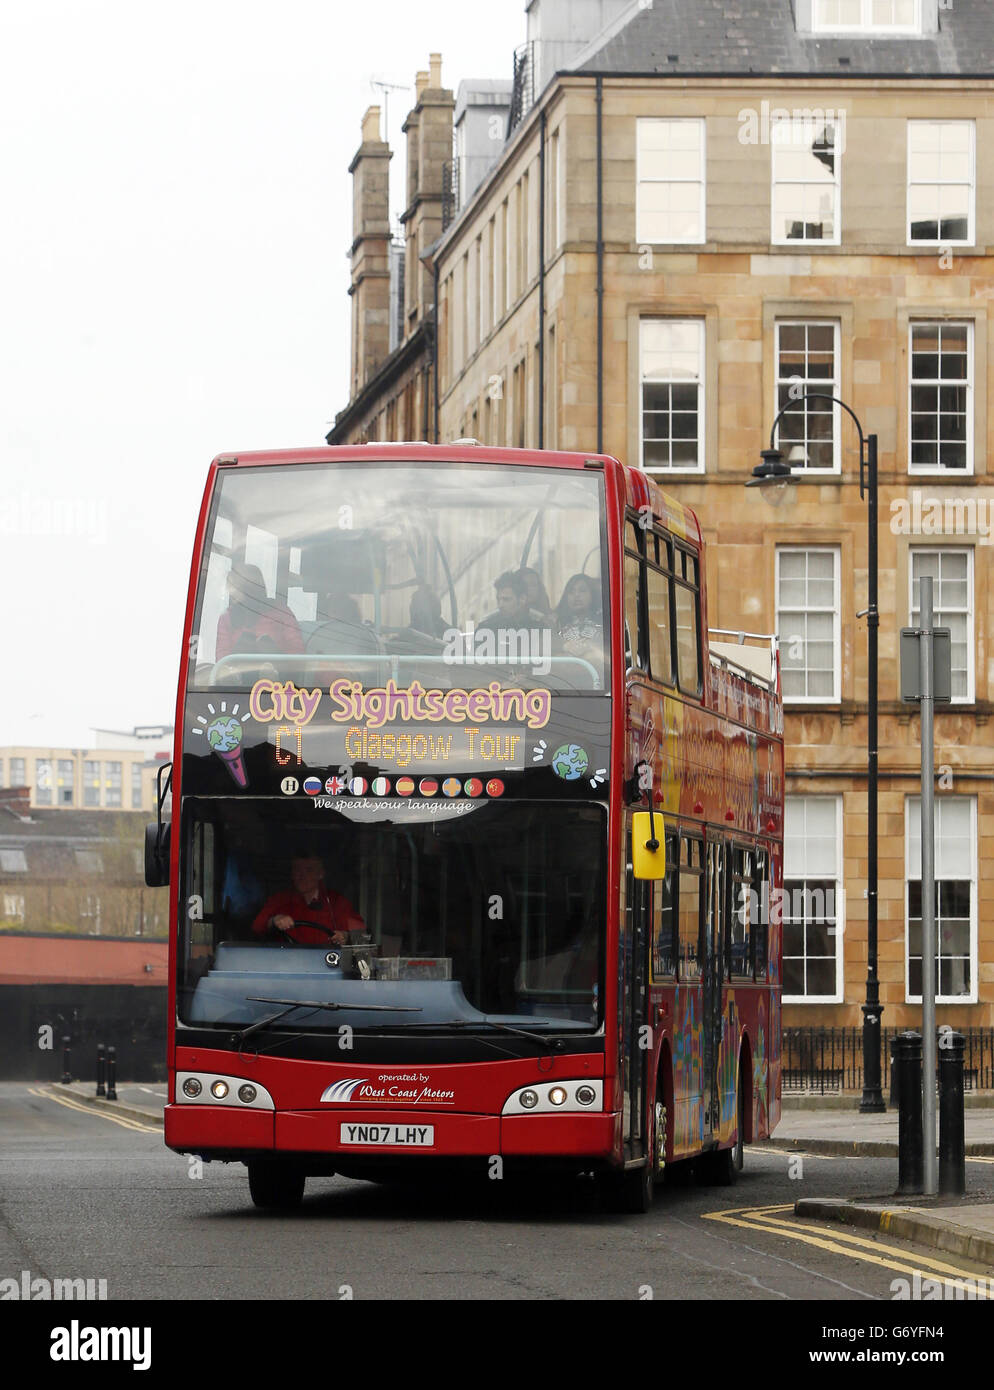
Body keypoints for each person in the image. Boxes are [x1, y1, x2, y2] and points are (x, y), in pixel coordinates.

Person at [251, 855, 365, 945]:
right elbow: (257, 927)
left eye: (309, 870)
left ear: (320, 874)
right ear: (292, 874)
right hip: (285, 964)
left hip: (328, 963)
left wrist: (345, 936)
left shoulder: (336, 902)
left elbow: (359, 932)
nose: (302, 876)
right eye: (297, 870)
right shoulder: (279, 900)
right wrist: (274, 920)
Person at [215, 563, 304, 661]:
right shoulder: (227, 617)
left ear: (248, 587)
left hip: (279, 673)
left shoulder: (281, 612)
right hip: (238, 672)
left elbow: (297, 653)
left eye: (233, 586)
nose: (229, 592)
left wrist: (274, 653)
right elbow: (222, 658)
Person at [555, 573, 603, 660]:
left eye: (582, 590)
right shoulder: (556, 622)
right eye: (571, 591)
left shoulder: (605, 622)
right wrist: (565, 645)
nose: (576, 595)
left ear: (592, 594)